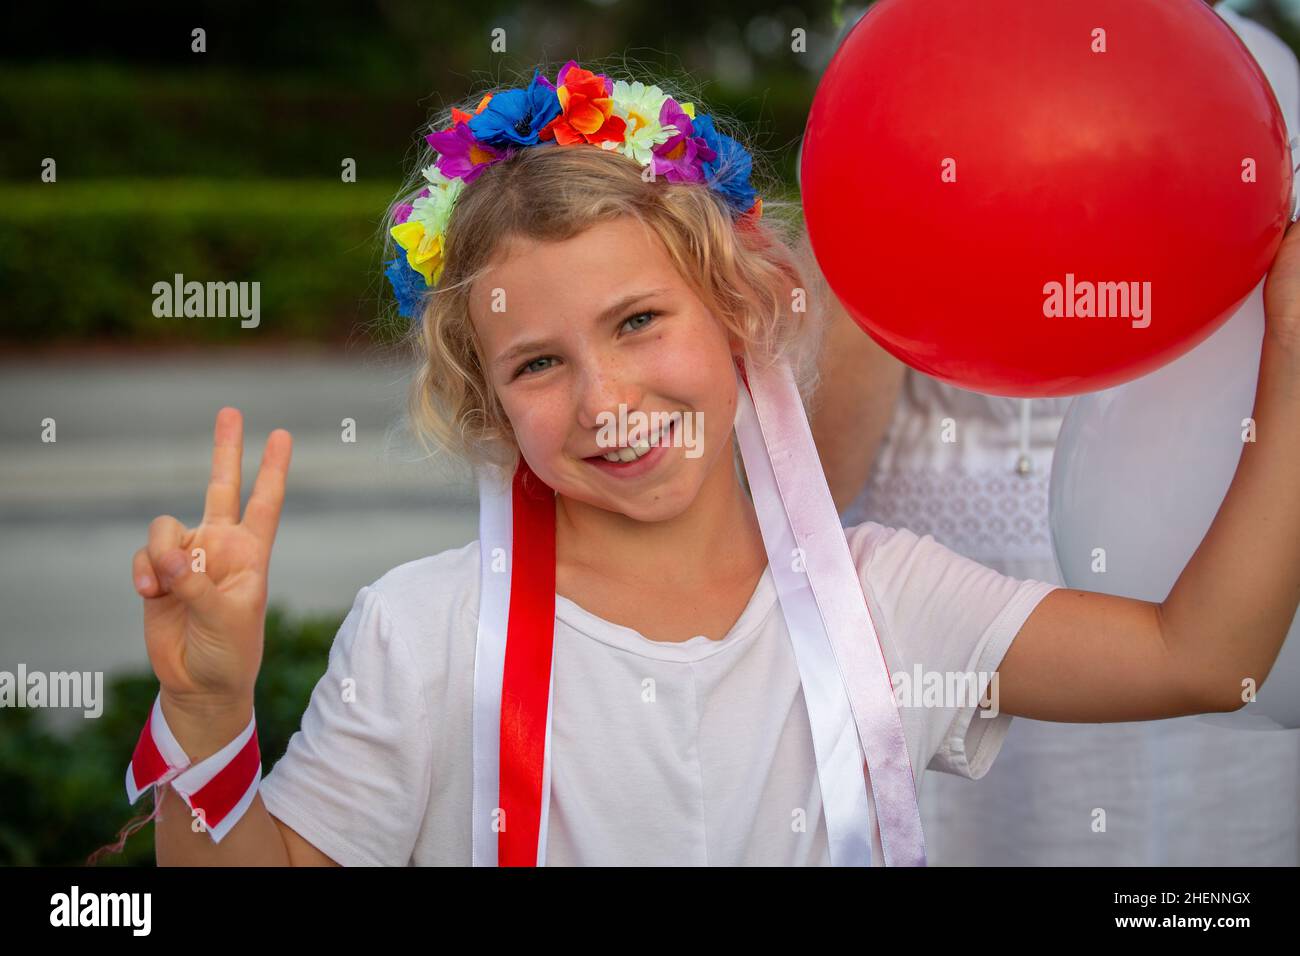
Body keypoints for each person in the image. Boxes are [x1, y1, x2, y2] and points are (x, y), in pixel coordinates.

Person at [123, 56, 1300, 866]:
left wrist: (1289, 361)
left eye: (640, 322)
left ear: (744, 313)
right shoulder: (420, 633)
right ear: (488, 406)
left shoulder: (883, 601)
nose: (605, 400)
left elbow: (1205, 657)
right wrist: (209, 710)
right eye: (536, 364)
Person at [812, 1, 1300, 864]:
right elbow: (820, 478)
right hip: (952, 583)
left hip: (1197, 539)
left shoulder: (1243, 69)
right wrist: (891, 220)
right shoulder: (905, 56)